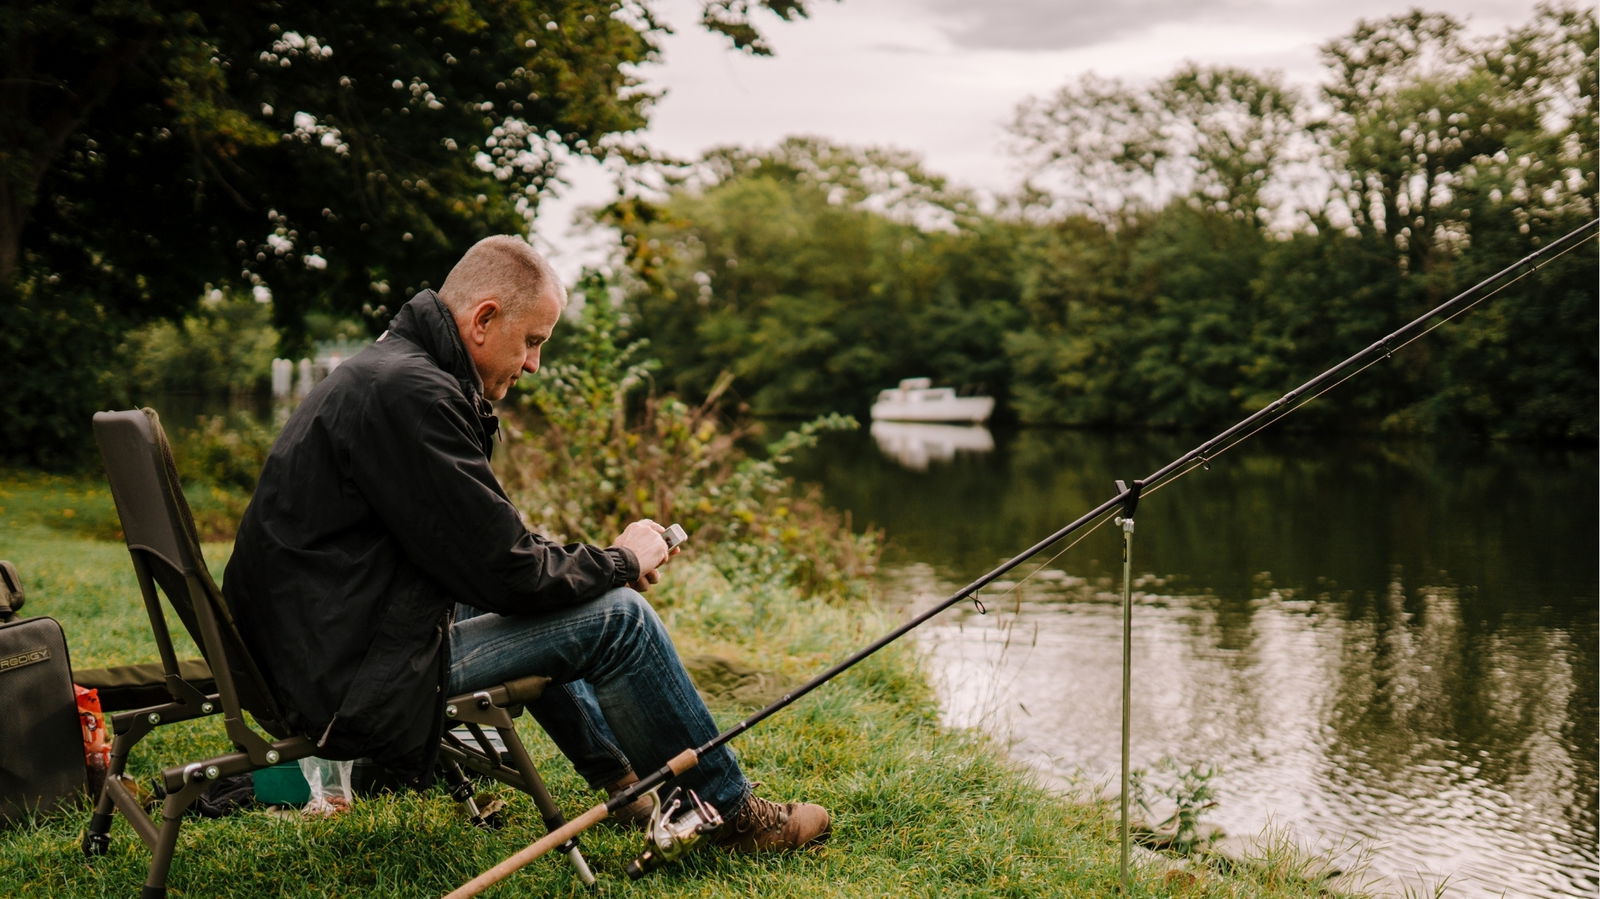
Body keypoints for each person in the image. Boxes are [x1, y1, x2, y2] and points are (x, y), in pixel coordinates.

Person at [222, 235, 829, 852]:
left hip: (322, 645)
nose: (535, 363)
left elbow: (483, 551)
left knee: (561, 601)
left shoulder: (389, 374)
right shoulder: (413, 395)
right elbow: (510, 572)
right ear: (484, 319)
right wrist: (621, 562)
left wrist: (595, 567)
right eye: (533, 340)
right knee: (619, 621)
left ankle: (625, 784)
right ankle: (729, 813)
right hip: (344, 681)